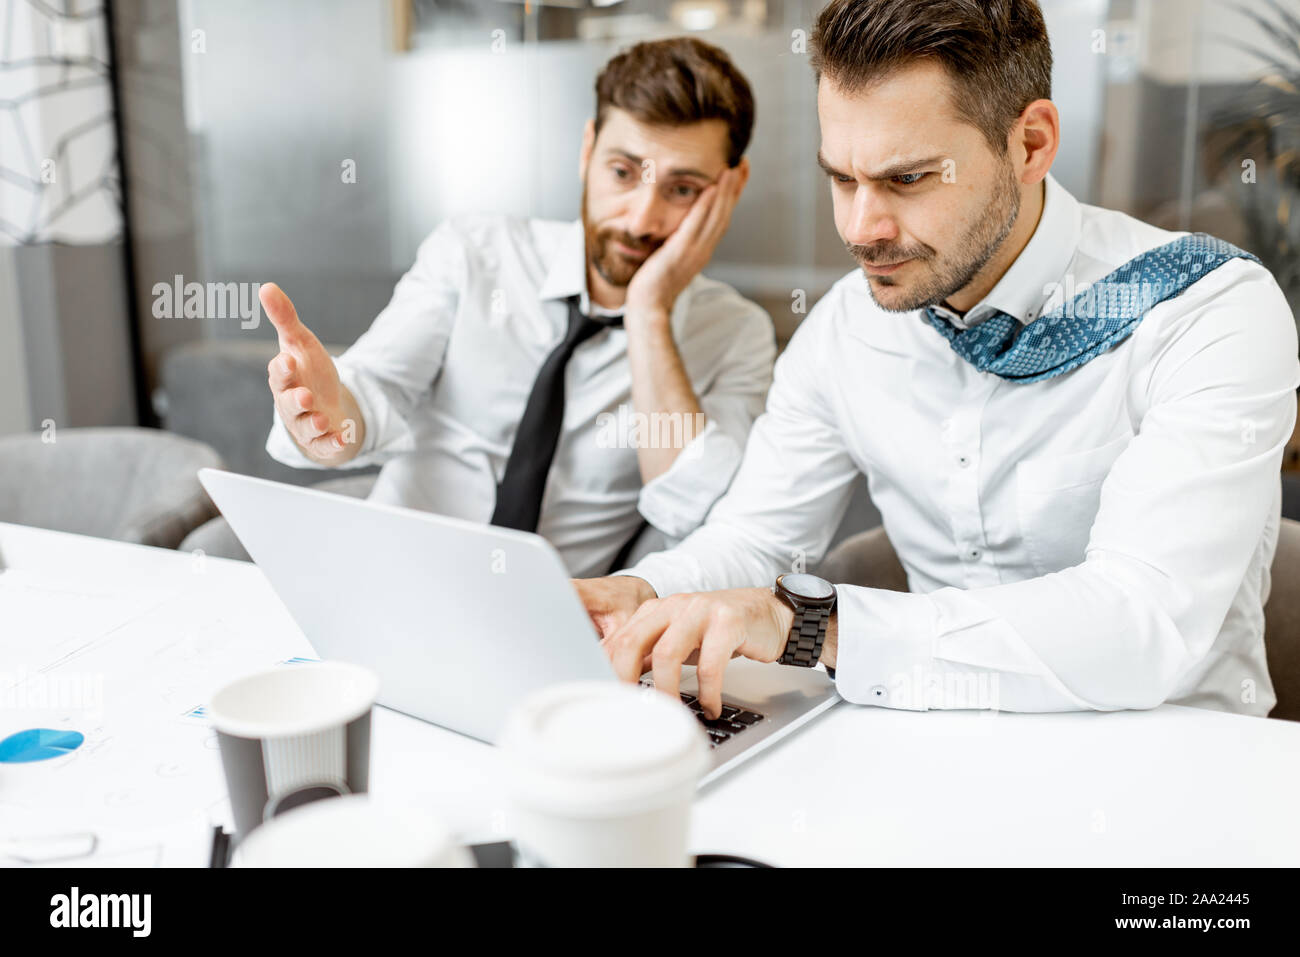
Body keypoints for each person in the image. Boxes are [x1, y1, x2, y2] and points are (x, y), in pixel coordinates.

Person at [576, 0, 1299, 720]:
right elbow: (754, 535)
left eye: (908, 179)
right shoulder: (844, 330)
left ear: (1031, 144)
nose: (861, 230)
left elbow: (1142, 620)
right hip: (933, 744)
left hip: (1176, 770)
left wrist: (812, 627)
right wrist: (641, 592)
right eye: (842, 179)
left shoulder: (1204, 309)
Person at [260, 38, 774, 578]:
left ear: (730, 188)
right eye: (623, 173)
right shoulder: (473, 254)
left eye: (683, 189)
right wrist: (332, 417)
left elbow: (691, 513)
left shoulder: (737, 335)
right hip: (388, 582)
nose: (641, 219)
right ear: (587, 150)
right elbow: (374, 390)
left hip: (560, 636)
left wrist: (648, 312)